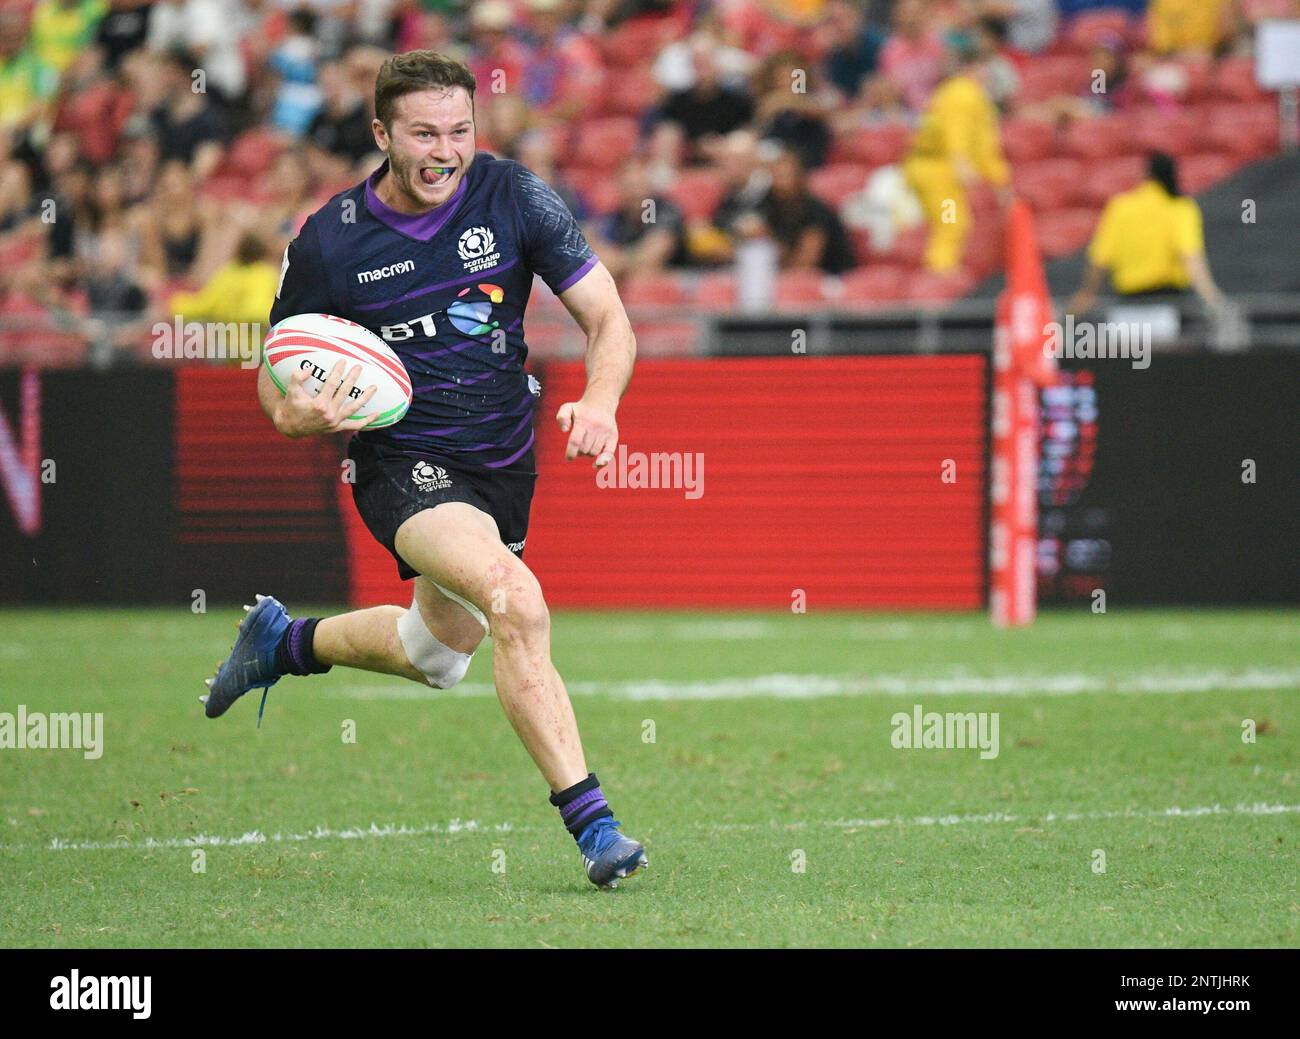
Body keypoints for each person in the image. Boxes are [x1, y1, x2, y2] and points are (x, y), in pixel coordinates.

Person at [201, 50, 647, 890]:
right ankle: (596, 827)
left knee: (436, 651)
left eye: (460, 131)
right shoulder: (332, 242)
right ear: (381, 134)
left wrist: (602, 401)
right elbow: (276, 367)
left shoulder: (513, 195)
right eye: (423, 133)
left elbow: (608, 316)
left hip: (504, 464)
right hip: (403, 465)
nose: (444, 151)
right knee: (518, 601)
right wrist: (289, 411)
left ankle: (282, 643)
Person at [1067, 152, 1224, 315]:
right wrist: (1211, 296)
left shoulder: (1121, 207)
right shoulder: (1180, 208)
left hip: (1128, 307)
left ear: (1146, 174)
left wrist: (1087, 293)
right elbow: (1190, 255)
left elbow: (1100, 258)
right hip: (1168, 304)